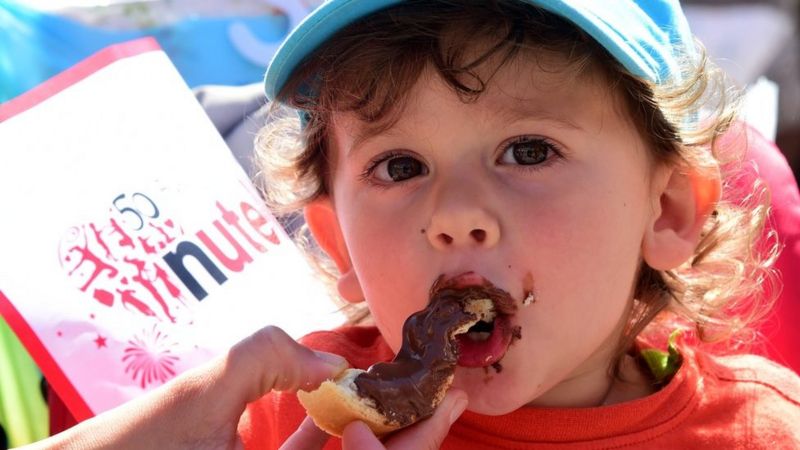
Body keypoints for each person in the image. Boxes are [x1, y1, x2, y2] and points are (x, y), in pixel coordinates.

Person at [22, 1, 800, 449]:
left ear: (665, 212)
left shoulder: (762, 431)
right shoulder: (293, 412)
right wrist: (195, 400)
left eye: (528, 150)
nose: (455, 214)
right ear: (338, 246)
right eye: (399, 167)